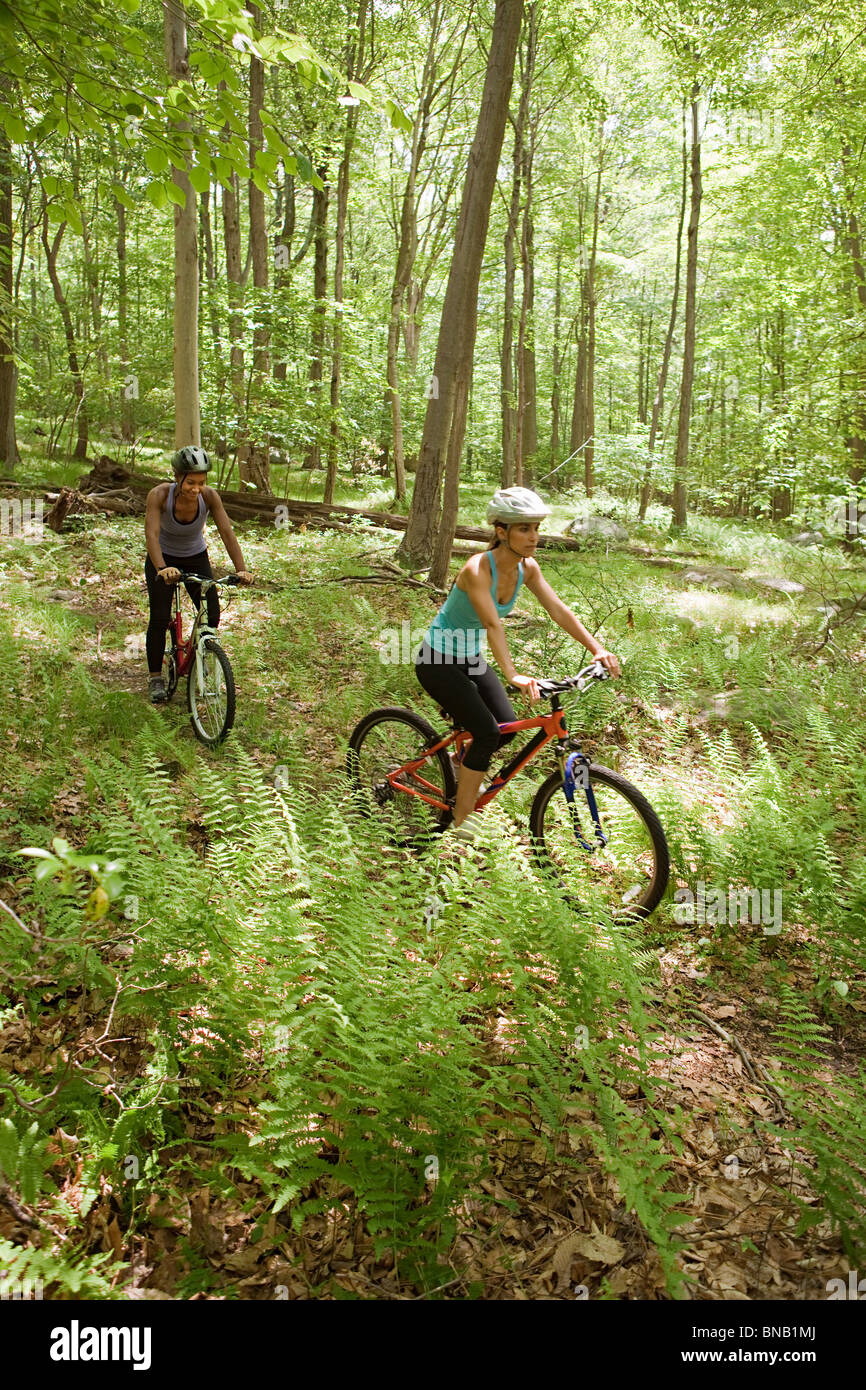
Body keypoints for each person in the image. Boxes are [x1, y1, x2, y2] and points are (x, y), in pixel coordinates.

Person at [414, 486, 621, 839]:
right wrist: (512, 674)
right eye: (524, 529)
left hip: (469, 658)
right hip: (437, 659)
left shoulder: (527, 568)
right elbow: (493, 623)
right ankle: (461, 823)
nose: (534, 537)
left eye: (536, 528)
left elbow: (558, 610)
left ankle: (457, 768)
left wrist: (596, 648)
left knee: (507, 729)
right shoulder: (477, 569)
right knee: (486, 733)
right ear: (501, 531)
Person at [144, 446, 252, 703]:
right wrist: (161, 568)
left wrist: (241, 569)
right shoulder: (159, 495)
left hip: (195, 557)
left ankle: (200, 653)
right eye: (190, 482)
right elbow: (152, 535)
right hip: (163, 558)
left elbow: (227, 532)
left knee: (211, 613)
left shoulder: (210, 497)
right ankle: (155, 677)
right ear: (177, 477)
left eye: (201, 482)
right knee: (159, 618)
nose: (196, 488)